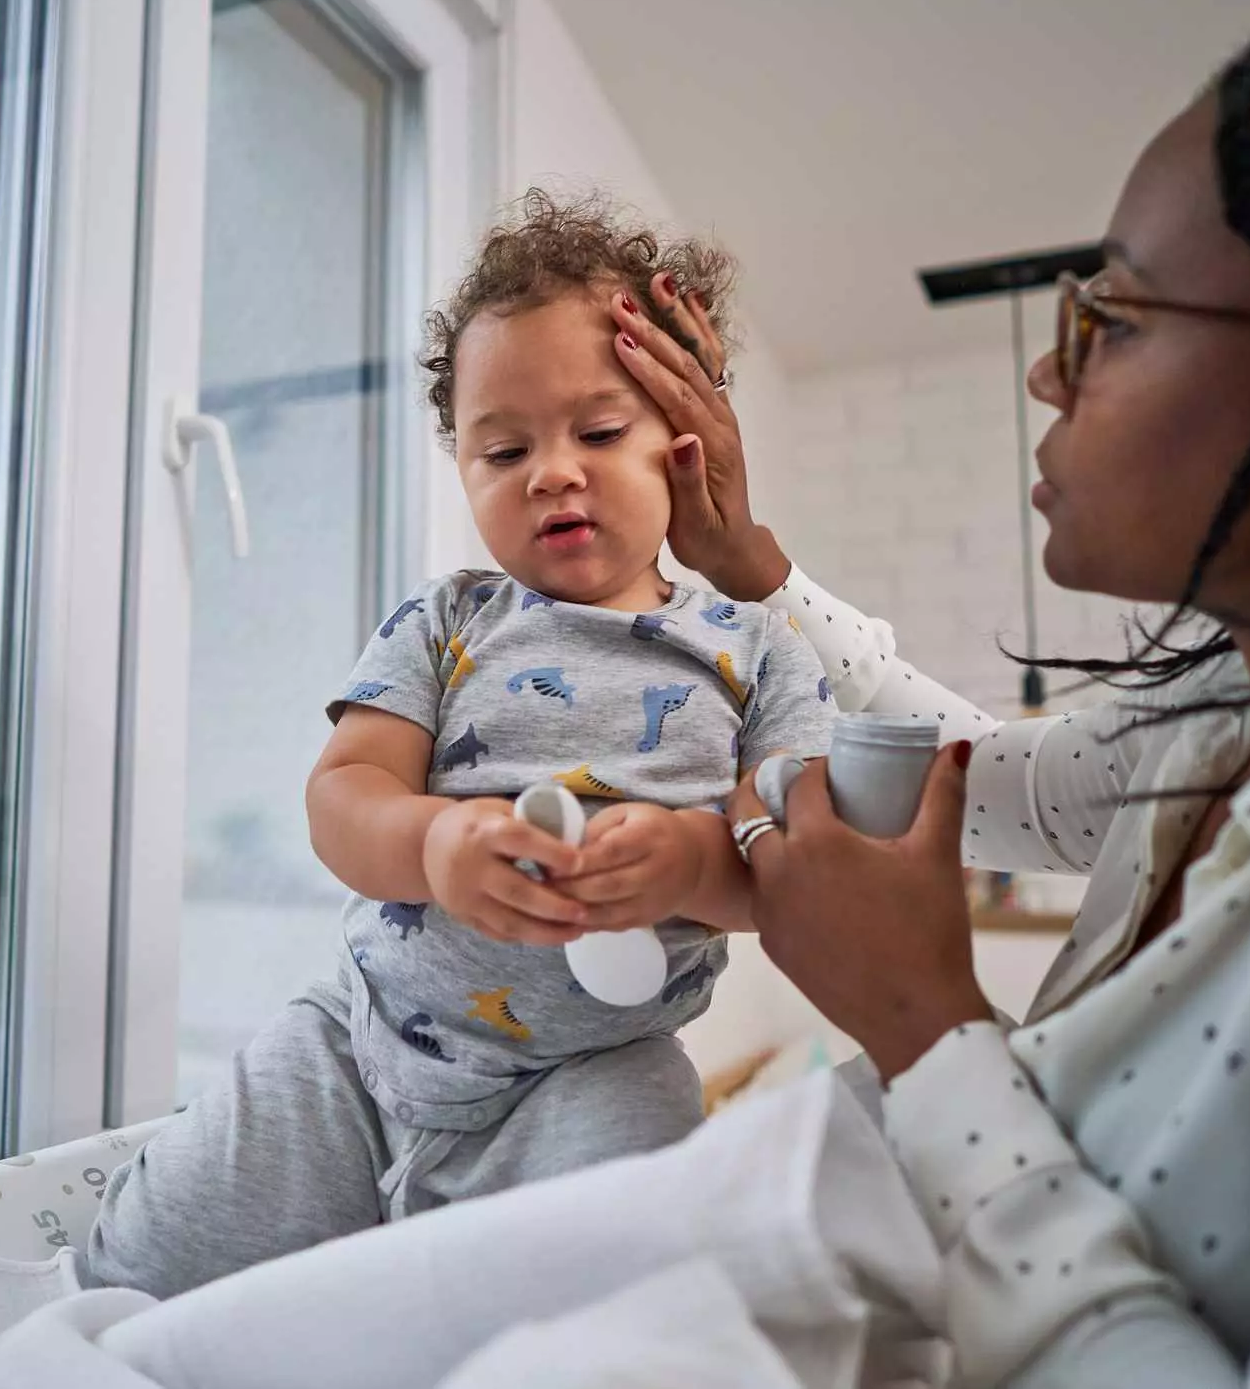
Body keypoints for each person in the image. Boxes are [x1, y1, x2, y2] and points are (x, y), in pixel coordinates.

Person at [596, 0, 1250, 1384]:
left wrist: (925, 1031)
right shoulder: (1205, 723)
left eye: (1110, 321)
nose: (1049, 383)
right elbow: (975, 779)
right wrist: (754, 569)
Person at [85, 193, 838, 1300]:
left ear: (680, 446)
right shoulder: (444, 622)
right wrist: (433, 844)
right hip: (363, 1038)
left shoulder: (756, 652)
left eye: (595, 432)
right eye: (502, 448)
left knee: (623, 1285)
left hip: (587, 1074)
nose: (550, 470)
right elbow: (344, 795)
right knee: (135, 1273)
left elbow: (798, 875)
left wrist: (686, 864)